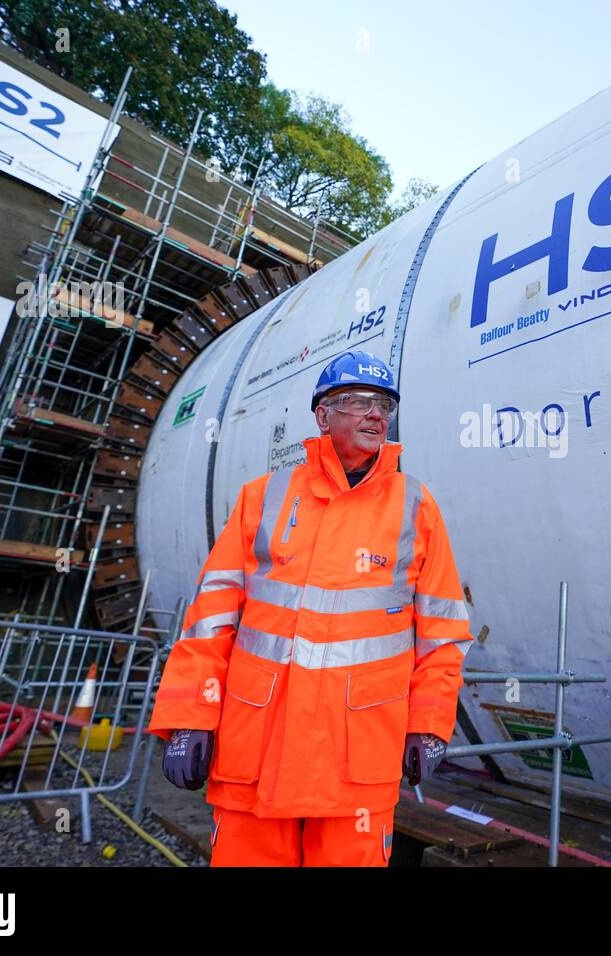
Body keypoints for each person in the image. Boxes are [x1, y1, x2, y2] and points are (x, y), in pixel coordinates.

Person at [146, 349, 472, 866]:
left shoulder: (416, 507)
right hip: (254, 755)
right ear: (322, 414)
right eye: (358, 401)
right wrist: (190, 718)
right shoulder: (263, 498)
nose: (375, 414)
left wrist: (429, 724)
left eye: (384, 404)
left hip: (356, 764)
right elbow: (210, 619)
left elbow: (443, 634)